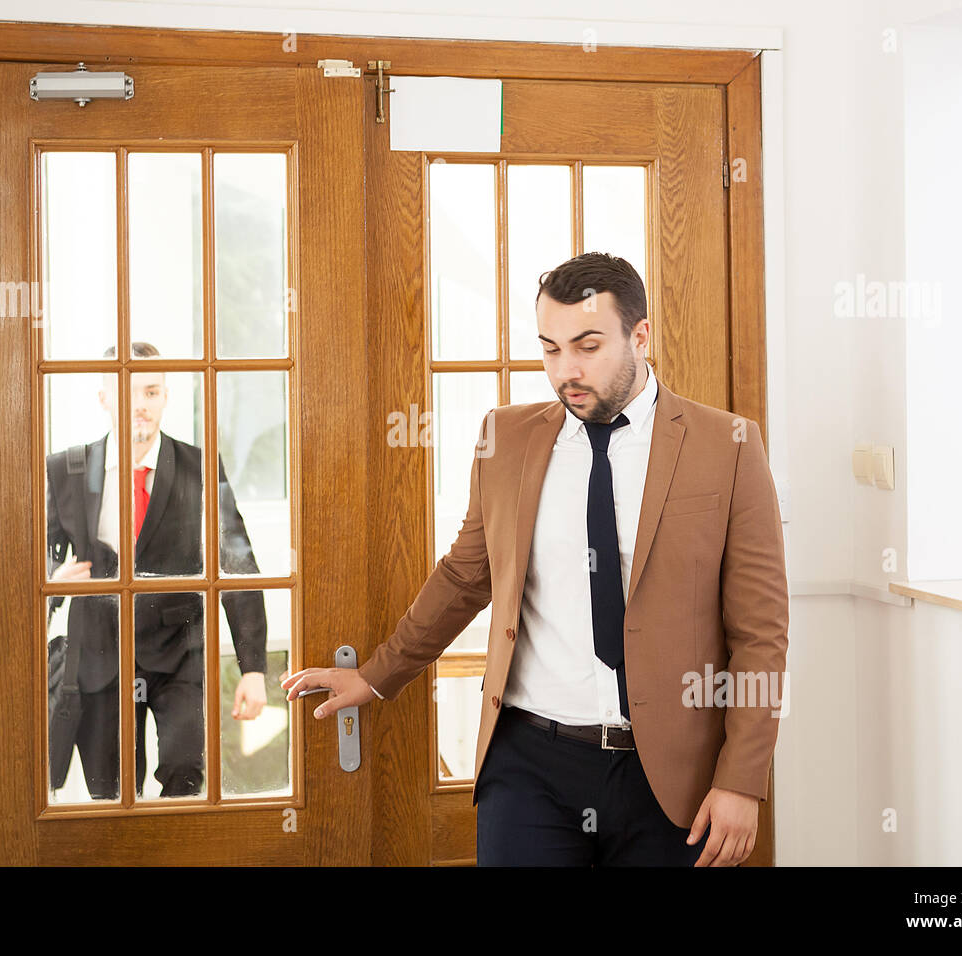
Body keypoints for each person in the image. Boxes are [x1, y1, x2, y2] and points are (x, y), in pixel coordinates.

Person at [283, 252, 789, 866]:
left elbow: (760, 634)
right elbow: (465, 577)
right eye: (550, 349)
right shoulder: (508, 438)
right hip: (530, 766)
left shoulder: (728, 445)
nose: (566, 371)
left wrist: (741, 779)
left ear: (641, 335)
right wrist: (376, 675)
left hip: (673, 779)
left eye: (587, 346)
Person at [46, 341, 268, 799]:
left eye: (151, 392)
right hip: (99, 658)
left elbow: (239, 564)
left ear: (166, 395)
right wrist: (52, 587)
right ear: (104, 397)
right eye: (127, 394)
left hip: (179, 654)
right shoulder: (65, 470)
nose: (140, 407)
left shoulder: (200, 468)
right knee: (112, 796)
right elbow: (37, 565)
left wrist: (253, 670)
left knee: (186, 776)